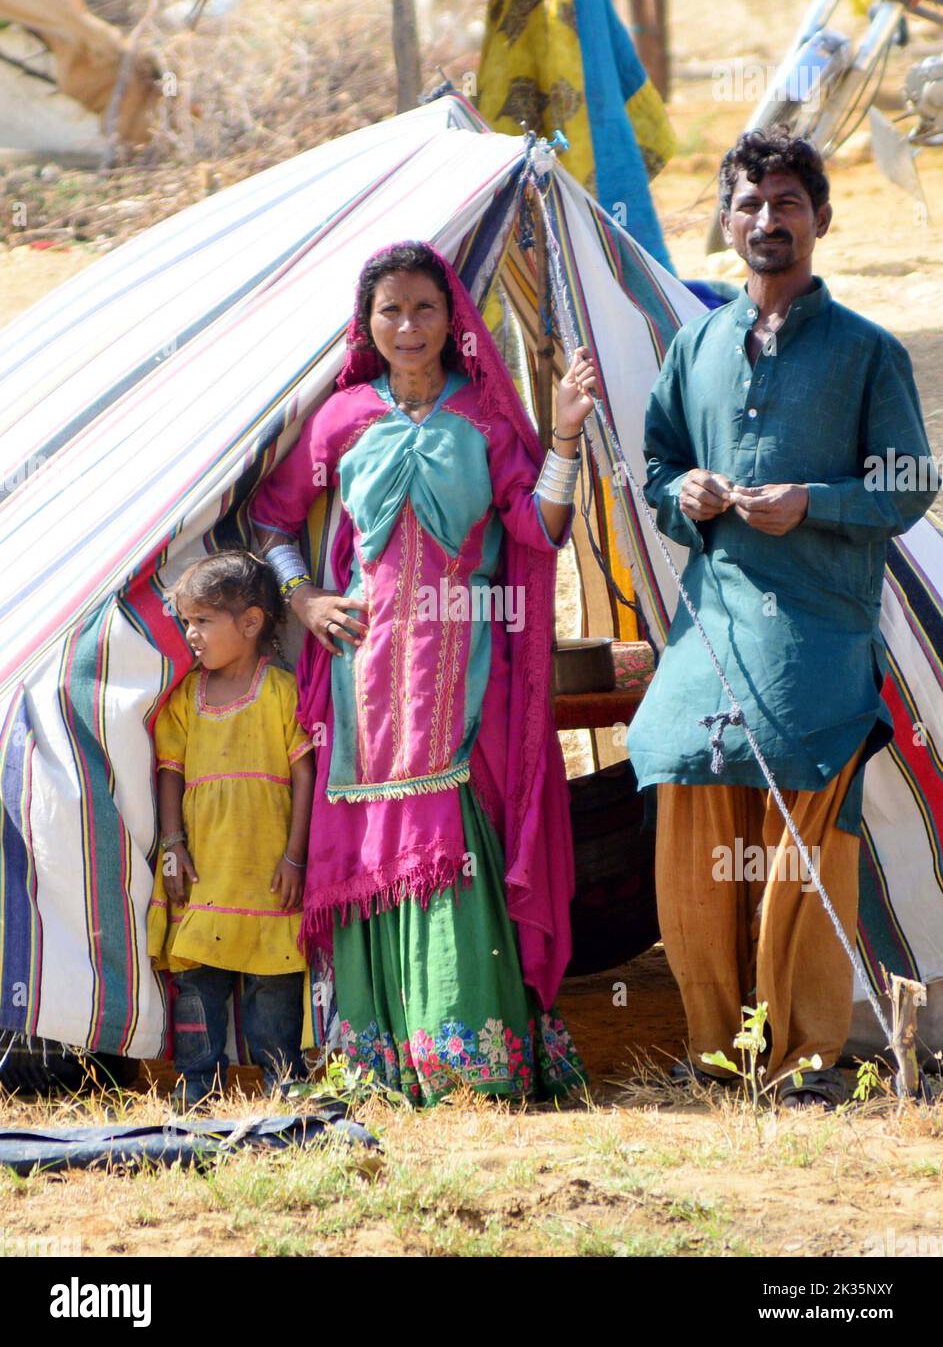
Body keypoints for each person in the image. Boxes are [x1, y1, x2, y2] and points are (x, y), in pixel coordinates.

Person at [627, 128, 937, 1108]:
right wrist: (694, 495)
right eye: (750, 204)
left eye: (786, 203)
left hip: (815, 639)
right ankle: (716, 1052)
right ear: (726, 220)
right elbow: (658, 470)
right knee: (687, 821)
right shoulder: (695, 345)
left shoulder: (865, 354)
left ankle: (806, 1059)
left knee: (804, 859)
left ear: (819, 218)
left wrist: (816, 501)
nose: (767, 221)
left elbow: (906, 485)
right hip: (710, 639)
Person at [249, 240, 595, 1106]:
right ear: (366, 324)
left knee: (454, 839)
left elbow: (538, 528)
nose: (407, 326)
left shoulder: (482, 418)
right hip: (362, 672)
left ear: (453, 321)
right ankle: (377, 1062)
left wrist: (561, 433)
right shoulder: (338, 420)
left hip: (464, 666)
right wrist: (303, 600)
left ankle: (467, 1066)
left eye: (424, 309)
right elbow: (270, 518)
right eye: (389, 311)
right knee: (371, 844)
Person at [147, 550, 315, 1110]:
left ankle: (282, 1082)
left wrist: (295, 858)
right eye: (188, 621)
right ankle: (199, 1086)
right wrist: (172, 846)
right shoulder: (184, 700)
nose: (190, 634)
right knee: (196, 983)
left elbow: (304, 773)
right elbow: (169, 776)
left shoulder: (281, 693)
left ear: (250, 622)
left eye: (203, 621)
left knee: (273, 986)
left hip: (268, 878)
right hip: (205, 877)